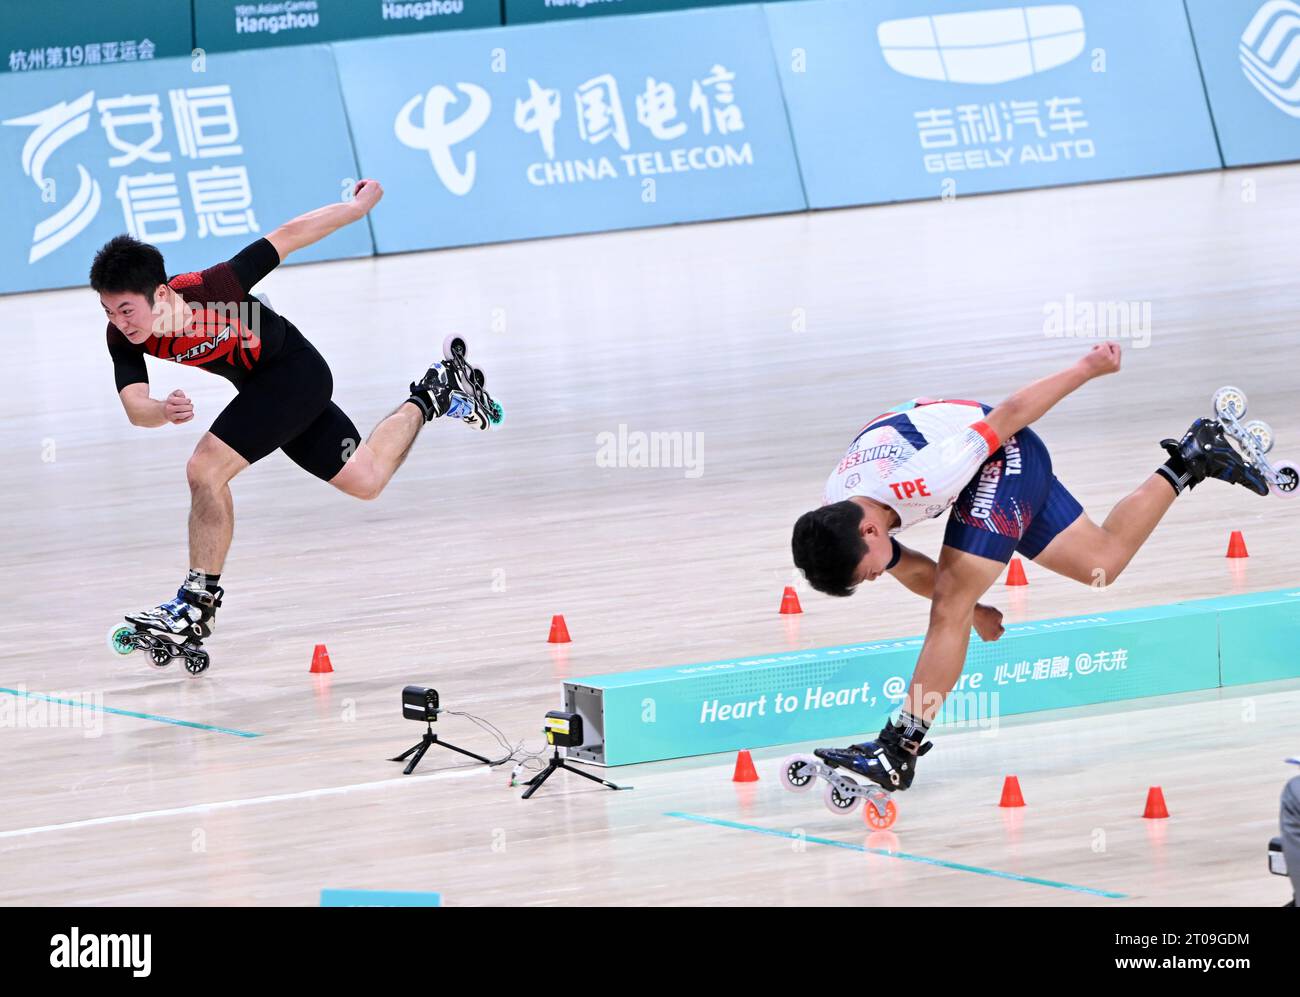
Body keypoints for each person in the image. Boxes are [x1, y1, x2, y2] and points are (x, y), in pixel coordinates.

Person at [791, 342, 1269, 792]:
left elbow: (1012, 413)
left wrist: (1089, 367)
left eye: (867, 572)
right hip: (979, 458)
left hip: (1001, 450)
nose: (875, 576)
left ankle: (898, 748)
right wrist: (975, 612)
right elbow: (912, 568)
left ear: (870, 532)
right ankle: (1193, 458)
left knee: (948, 605)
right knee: (1102, 564)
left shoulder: (925, 478)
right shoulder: (841, 509)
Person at [92, 179, 498, 651]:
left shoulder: (212, 287)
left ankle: (196, 600)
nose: (121, 322)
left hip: (296, 373)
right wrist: (161, 410)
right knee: (366, 479)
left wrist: (356, 207)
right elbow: (135, 407)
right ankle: (436, 393)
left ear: (160, 295)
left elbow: (288, 235)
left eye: (126, 309)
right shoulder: (122, 337)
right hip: (265, 392)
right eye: (108, 311)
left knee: (204, 469)